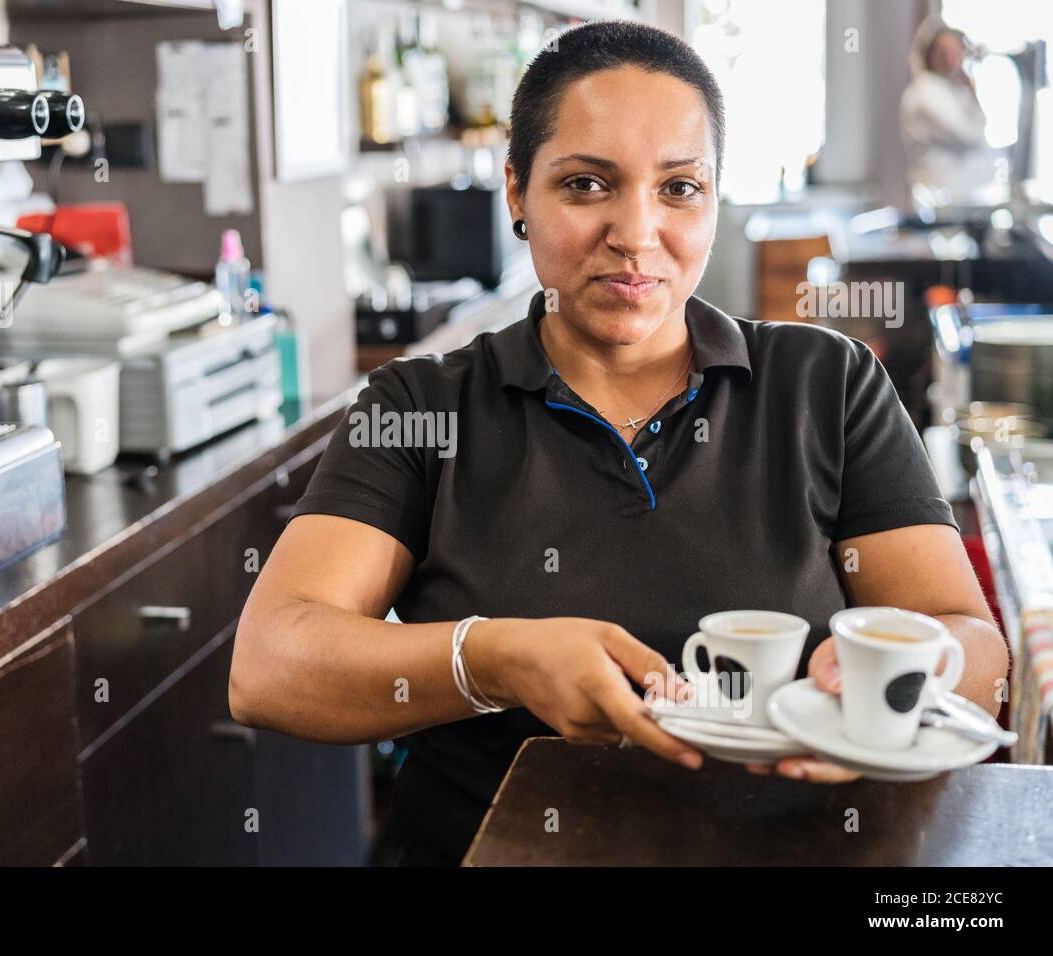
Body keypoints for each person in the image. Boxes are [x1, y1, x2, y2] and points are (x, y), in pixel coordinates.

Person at [230, 20, 1009, 867]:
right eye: (588, 184)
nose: (637, 233)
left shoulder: (828, 383)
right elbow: (270, 665)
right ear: (517, 193)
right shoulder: (423, 405)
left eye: (679, 188)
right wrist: (494, 658)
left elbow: (967, 635)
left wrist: (894, 683)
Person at [900, 17, 1000, 204]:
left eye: (956, 51)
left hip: (963, 196)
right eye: (944, 51)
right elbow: (970, 134)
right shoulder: (925, 92)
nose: (951, 58)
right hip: (941, 197)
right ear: (929, 53)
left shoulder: (952, 89)